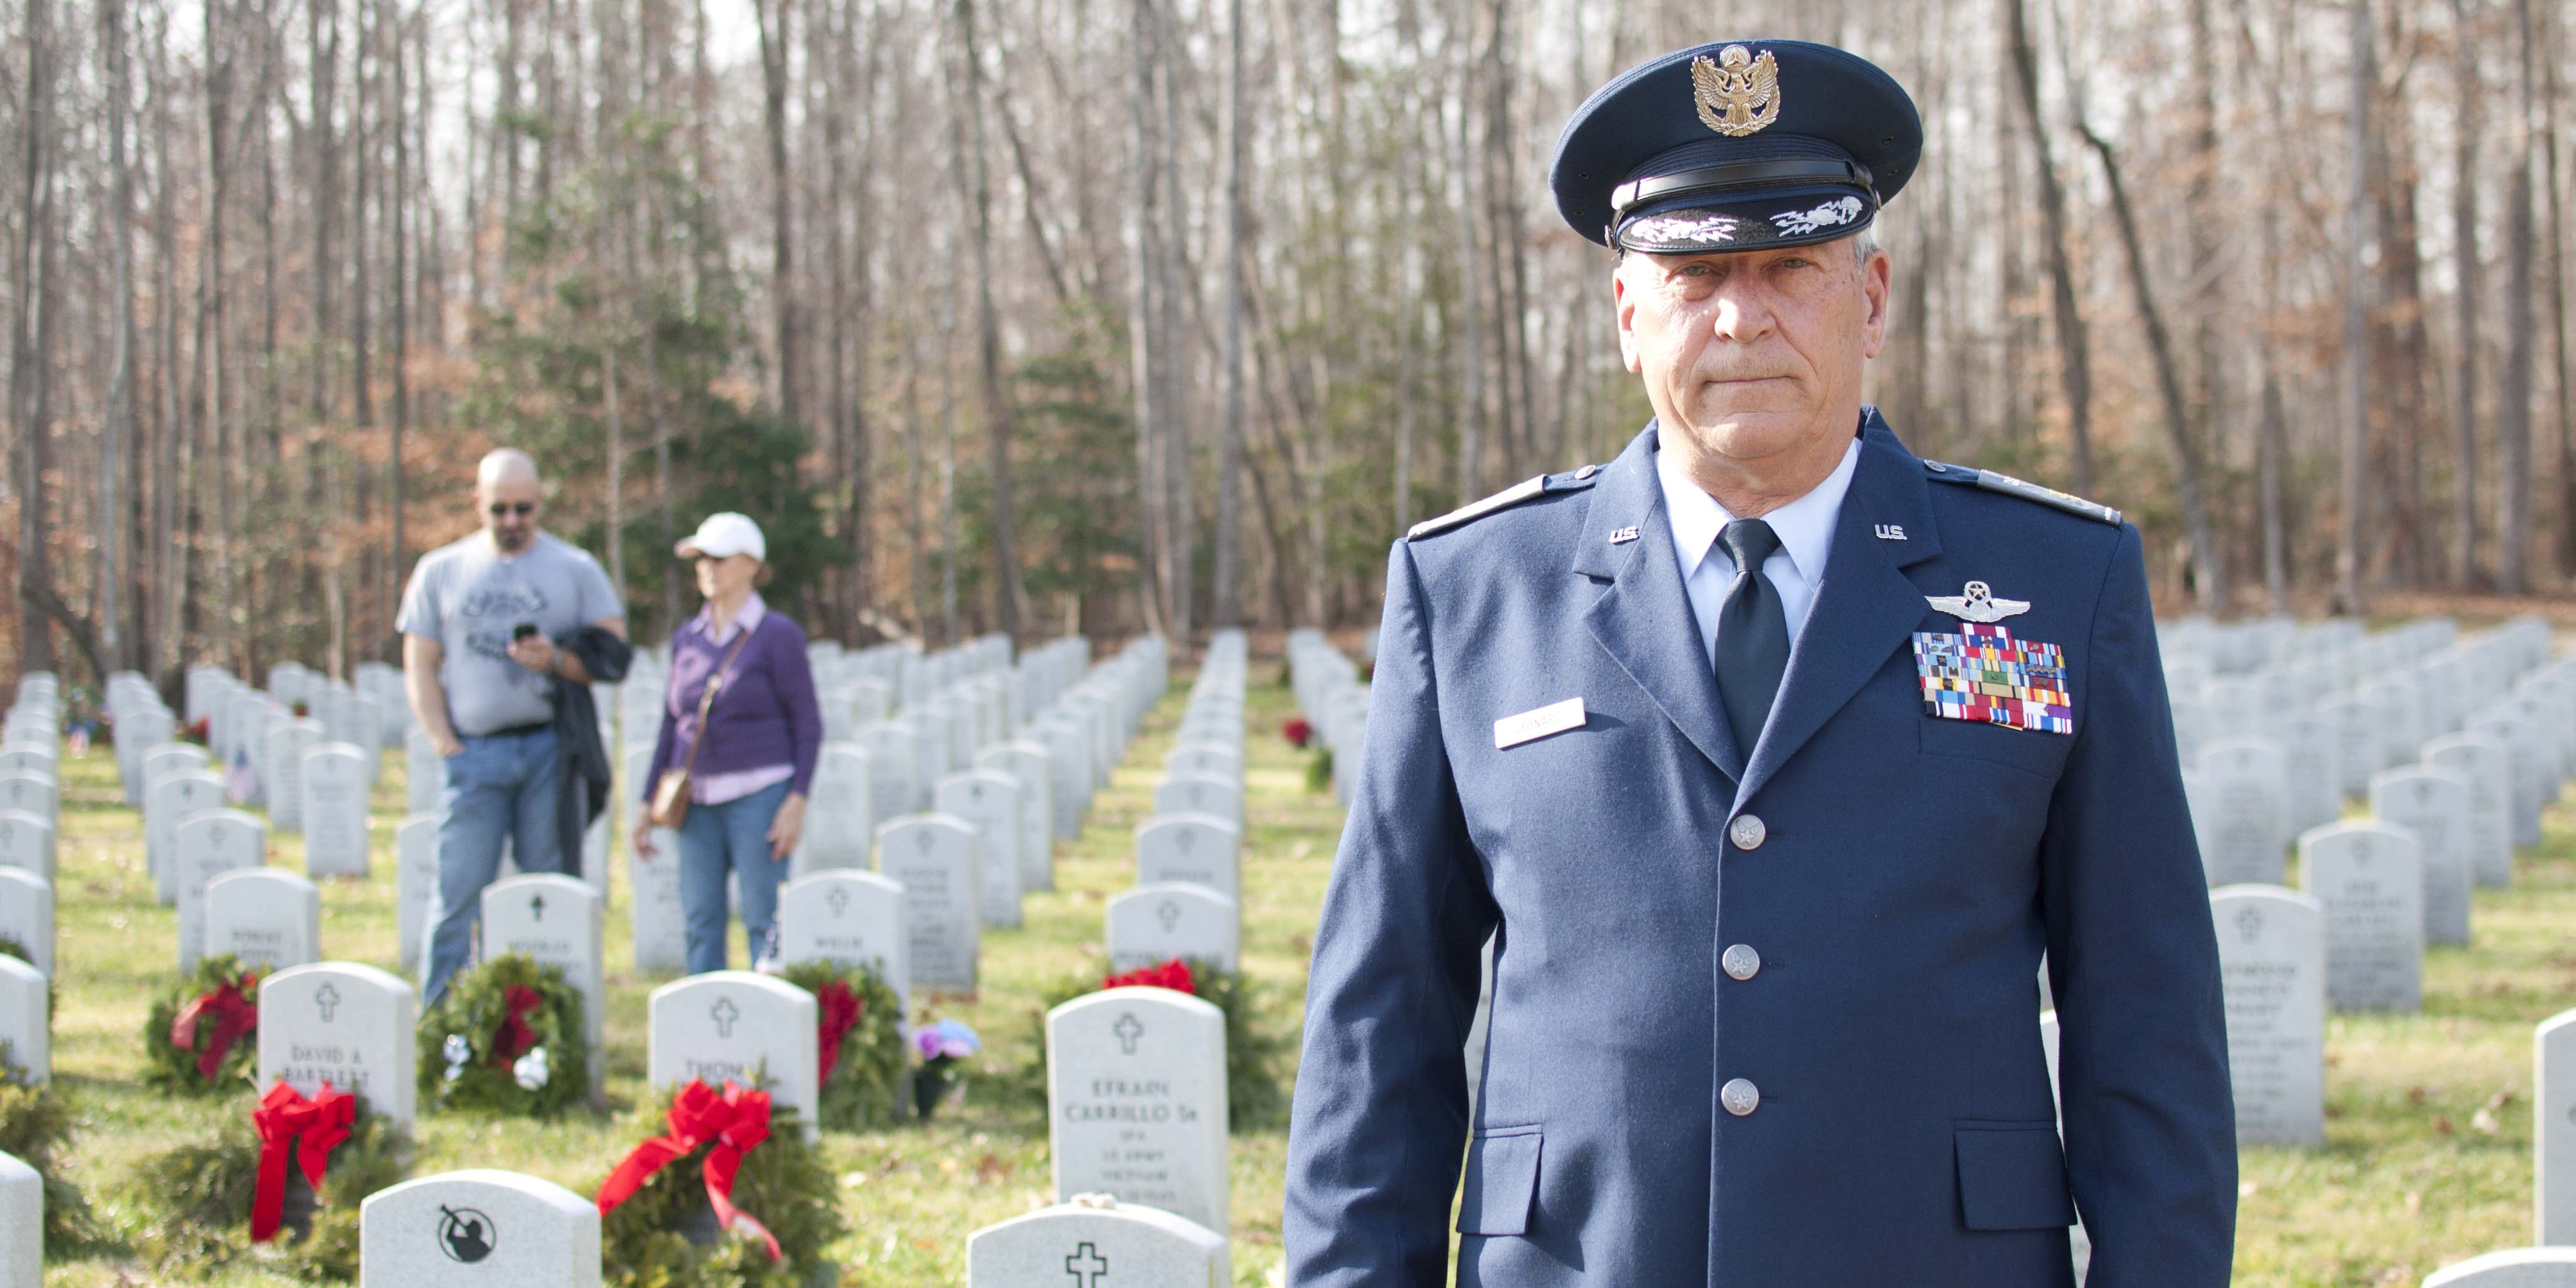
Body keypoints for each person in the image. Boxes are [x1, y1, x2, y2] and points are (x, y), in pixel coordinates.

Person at [1283, 39, 2234, 1287]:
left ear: (1872, 296)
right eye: (1692, 273)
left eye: (1791, 265)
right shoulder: (1473, 591)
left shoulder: (2053, 582)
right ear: (1629, 314)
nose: (1742, 315)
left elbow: (2143, 1014)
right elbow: (1379, 1019)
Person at [400, 449, 626, 1007]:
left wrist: (554, 660)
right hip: (473, 751)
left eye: (522, 509)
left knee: (547, 894)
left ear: (540, 502)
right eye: (499, 508)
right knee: (456, 893)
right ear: (477, 501)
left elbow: (614, 655)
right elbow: (420, 661)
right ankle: (440, 1028)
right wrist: (440, 737)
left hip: (549, 747)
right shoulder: (441, 569)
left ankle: (552, 1022)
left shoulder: (574, 568)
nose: (511, 520)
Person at [635, 512, 822, 974]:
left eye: (717, 558)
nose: (707, 569)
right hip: (697, 800)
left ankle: (772, 1024)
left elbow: (808, 722)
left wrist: (797, 799)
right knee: (700, 919)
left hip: (760, 795)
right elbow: (670, 724)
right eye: (700, 559)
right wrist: (645, 802)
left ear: (749, 564)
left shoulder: (778, 635)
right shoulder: (688, 638)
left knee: (766, 920)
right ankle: (706, 1027)